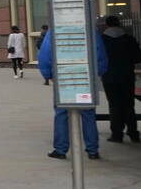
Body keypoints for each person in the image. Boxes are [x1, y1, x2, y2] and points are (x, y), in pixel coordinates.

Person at [38, 25, 109, 160]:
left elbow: (45, 54)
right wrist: (97, 72)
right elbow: (100, 53)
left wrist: (48, 74)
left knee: (61, 113)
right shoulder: (90, 29)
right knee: (88, 113)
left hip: (63, 76)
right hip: (85, 76)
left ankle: (61, 149)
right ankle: (93, 150)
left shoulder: (54, 29)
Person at [100, 16, 141, 143]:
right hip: (126, 76)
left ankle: (117, 134)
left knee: (114, 105)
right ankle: (133, 132)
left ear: (107, 25)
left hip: (109, 77)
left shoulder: (102, 40)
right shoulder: (129, 39)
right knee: (129, 105)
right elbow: (137, 58)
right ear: (119, 24)